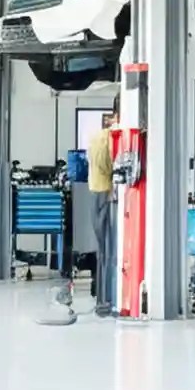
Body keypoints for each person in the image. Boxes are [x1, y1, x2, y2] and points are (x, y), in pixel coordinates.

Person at [88, 106, 117, 316]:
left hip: (98, 192)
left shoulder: (97, 137)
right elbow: (105, 165)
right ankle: (107, 298)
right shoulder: (107, 138)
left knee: (104, 250)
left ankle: (104, 297)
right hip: (105, 193)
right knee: (108, 249)